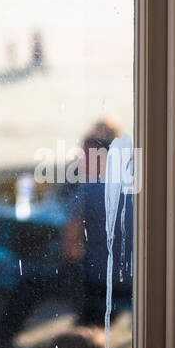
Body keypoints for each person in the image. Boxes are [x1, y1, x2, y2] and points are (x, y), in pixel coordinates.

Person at [61, 120, 133, 327]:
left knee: (28, 281)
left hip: (102, 283)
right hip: (137, 281)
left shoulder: (88, 191)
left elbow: (68, 250)